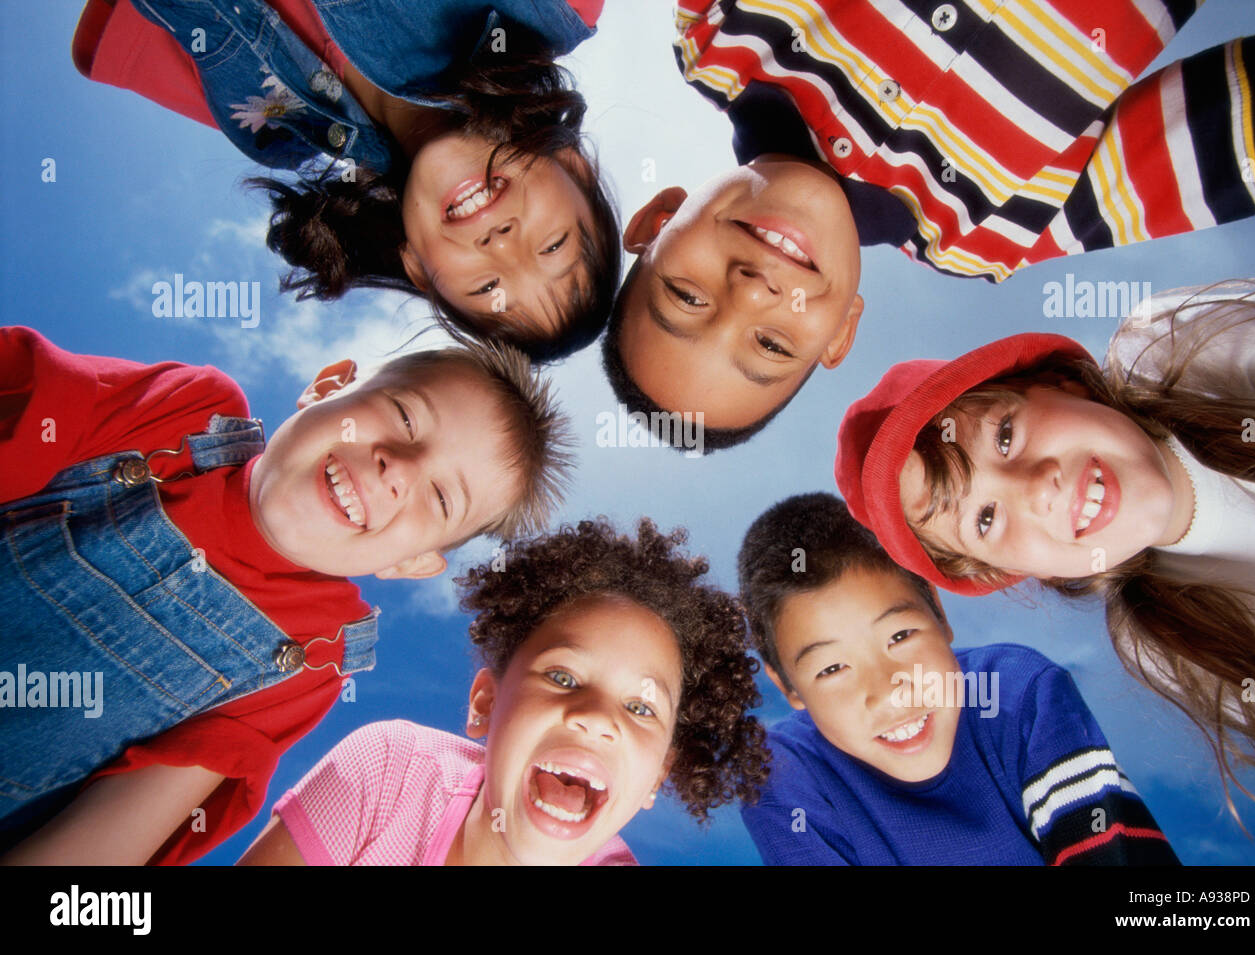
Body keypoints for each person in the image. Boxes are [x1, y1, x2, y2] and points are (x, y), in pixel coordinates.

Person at [0, 326, 570, 864]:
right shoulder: (181, 419)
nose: (398, 467)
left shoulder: (307, 662)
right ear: (328, 385)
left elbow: (101, 843)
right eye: (404, 415)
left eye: (442, 498)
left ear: (410, 562)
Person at [603, 0, 1255, 442]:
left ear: (658, 218)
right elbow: (1227, 137)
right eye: (773, 345)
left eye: (687, 297)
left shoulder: (718, 32)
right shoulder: (989, 234)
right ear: (842, 332)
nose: (752, 292)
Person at [834, 279, 1255, 808]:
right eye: (985, 519)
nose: (1039, 488)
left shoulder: (1183, 350)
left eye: (1005, 436)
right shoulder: (1169, 643)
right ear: (1017, 570)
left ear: (1063, 383)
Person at [72, 0, 620, 360]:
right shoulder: (553, 9)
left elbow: (112, 33)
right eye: (552, 246)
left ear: (420, 269)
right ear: (574, 167)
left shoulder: (277, 130)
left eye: (487, 288)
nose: (501, 245)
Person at [238, 518, 770, 865]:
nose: (596, 718)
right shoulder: (389, 771)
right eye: (562, 677)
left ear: (658, 775)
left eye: (639, 707)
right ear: (485, 704)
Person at [735, 492, 1179, 865]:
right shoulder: (781, 777)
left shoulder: (1019, 695)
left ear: (939, 614)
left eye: (901, 636)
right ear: (788, 686)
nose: (890, 690)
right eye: (831, 669)